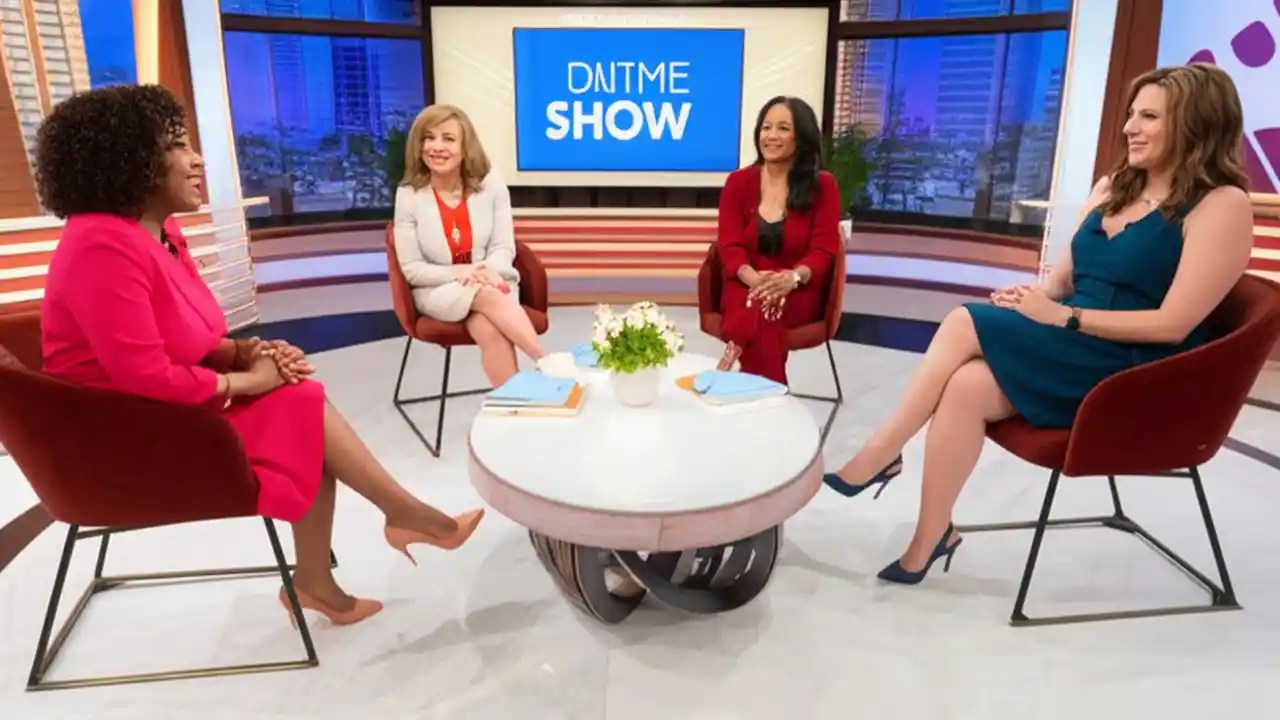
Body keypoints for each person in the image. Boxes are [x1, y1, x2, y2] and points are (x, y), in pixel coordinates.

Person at [37, 85, 485, 627]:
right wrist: (249, 381)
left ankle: (337, 567)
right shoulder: (99, 245)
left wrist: (246, 351)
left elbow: (181, 335)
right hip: (120, 443)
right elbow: (144, 375)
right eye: (178, 146)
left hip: (164, 414)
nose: (197, 158)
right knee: (299, 408)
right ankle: (400, 521)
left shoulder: (158, 233)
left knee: (299, 402)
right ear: (131, 161)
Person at [823, 63, 1255, 584]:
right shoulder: (1113, 187)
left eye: (1148, 116)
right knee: (964, 386)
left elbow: (1175, 325)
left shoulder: (1221, 205)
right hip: (1074, 341)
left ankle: (879, 454)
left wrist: (1063, 317)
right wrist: (1033, 297)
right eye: (1130, 115)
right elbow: (1064, 279)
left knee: (963, 322)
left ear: (1195, 124)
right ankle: (931, 535)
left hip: (1134, 368)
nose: (1129, 128)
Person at [393, 104, 554, 386]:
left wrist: (487, 271)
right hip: (437, 289)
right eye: (428, 138)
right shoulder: (409, 194)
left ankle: (512, 411)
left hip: (494, 279)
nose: (436, 146)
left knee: (490, 329)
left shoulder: (491, 184)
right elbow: (412, 269)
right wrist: (461, 273)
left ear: (466, 146)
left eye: (448, 138)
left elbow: (504, 247)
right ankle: (550, 364)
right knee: (488, 296)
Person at [714, 96, 841, 385]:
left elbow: (824, 251)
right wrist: (755, 280)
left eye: (783, 128)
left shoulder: (823, 186)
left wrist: (792, 278)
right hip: (744, 283)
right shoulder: (738, 183)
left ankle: (736, 358)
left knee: (765, 311)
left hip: (797, 290)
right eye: (766, 127)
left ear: (801, 137)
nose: (771, 136)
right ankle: (771, 401)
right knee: (763, 309)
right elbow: (729, 246)